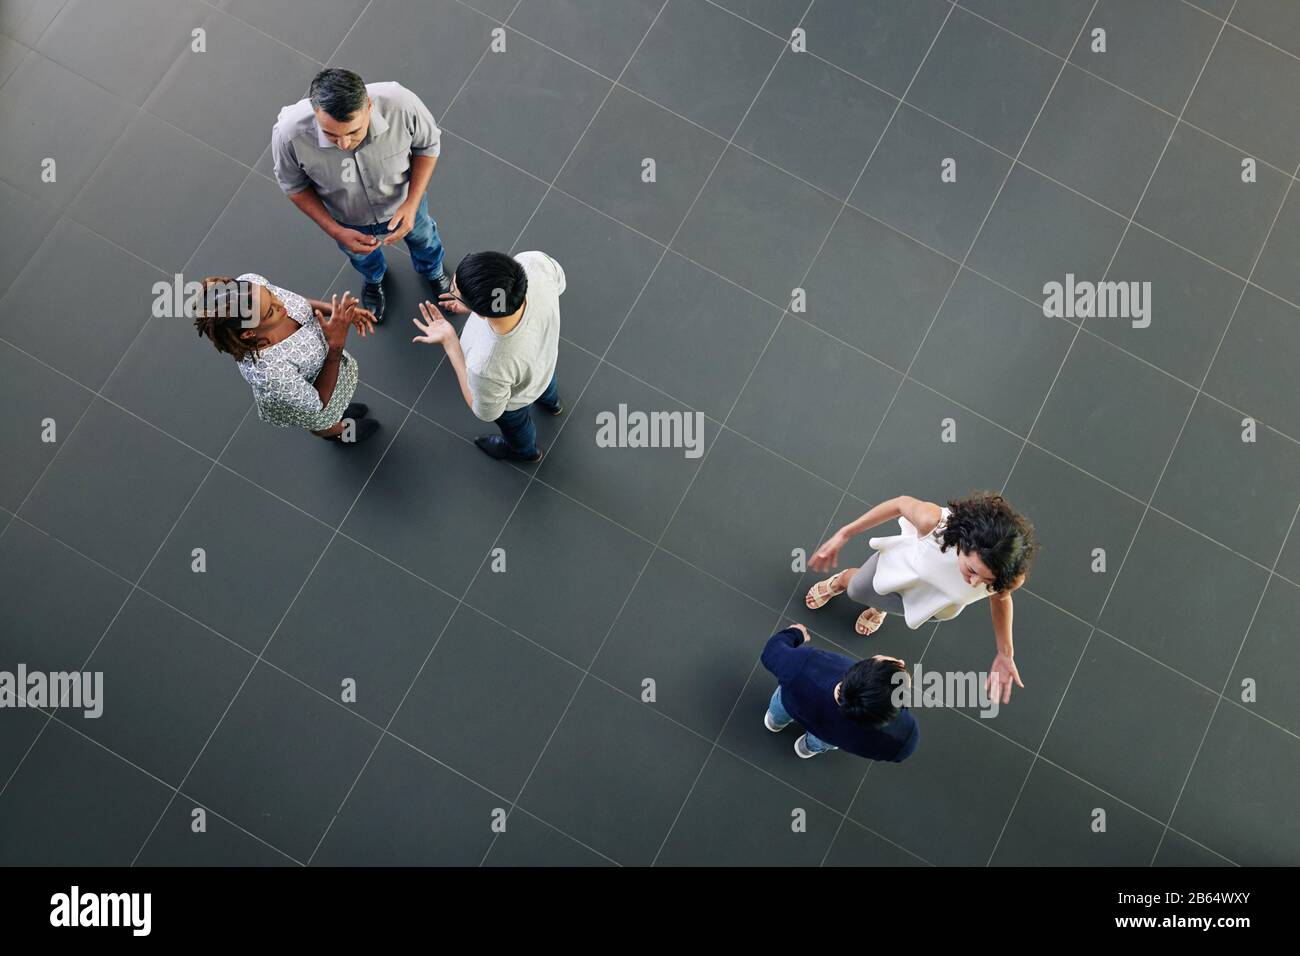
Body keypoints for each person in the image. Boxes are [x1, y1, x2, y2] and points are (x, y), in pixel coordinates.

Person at [804, 492, 1037, 703]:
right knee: (856, 590)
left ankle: (879, 608)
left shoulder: (1010, 576)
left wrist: (1005, 652)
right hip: (896, 574)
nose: (975, 583)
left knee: (892, 606)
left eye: (987, 581)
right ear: (963, 541)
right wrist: (844, 534)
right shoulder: (933, 523)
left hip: (931, 606)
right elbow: (898, 504)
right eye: (972, 570)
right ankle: (841, 580)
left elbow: (1001, 599)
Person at [271, 68, 450, 322]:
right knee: (360, 256)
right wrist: (335, 231)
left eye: (354, 132)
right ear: (314, 111)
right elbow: (293, 186)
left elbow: (428, 146)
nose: (343, 144)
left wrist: (412, 203)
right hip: (347, 217)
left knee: (424, 237)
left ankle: (433, 270)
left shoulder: (402, 105)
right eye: (331, 134)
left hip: (405, 201)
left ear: (368, 105)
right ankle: (374, 278)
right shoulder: (289, 134)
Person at [411, 250, 564, 463]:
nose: (451, 291)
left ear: (483, 313)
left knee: (518, 427)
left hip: (516, 400)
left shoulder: (487, 365)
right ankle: (553, 404)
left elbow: (485, 411)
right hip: (545, 365)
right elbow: (558, 285)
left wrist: (451, 343)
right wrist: (474, 305)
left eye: (454, 291)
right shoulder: (534, 263)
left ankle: (525, 452)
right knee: (548, 386)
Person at [192, 274, 379, 443]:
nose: (281, 305)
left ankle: (342, 410)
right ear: (249, 333)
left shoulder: (252, 286)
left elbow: (301, 304)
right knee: (326, 421)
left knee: (340, 406)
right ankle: (341, 433)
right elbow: (318, 403)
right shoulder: (267, 371)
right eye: (270, 312)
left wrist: (337, 313)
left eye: (271, 294)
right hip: (315, 393)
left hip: (330, 364)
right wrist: (335, 347)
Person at [761, 623, 918, 760]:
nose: (902, 661)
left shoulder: (805, 665)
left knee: (781, 704)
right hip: (833, 735)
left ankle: (775, 721)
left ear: (862, 667)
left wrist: (795, 633)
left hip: (795, 704)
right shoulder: (903, 739)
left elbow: (771, 652)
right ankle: (806, 748)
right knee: (822, 740)